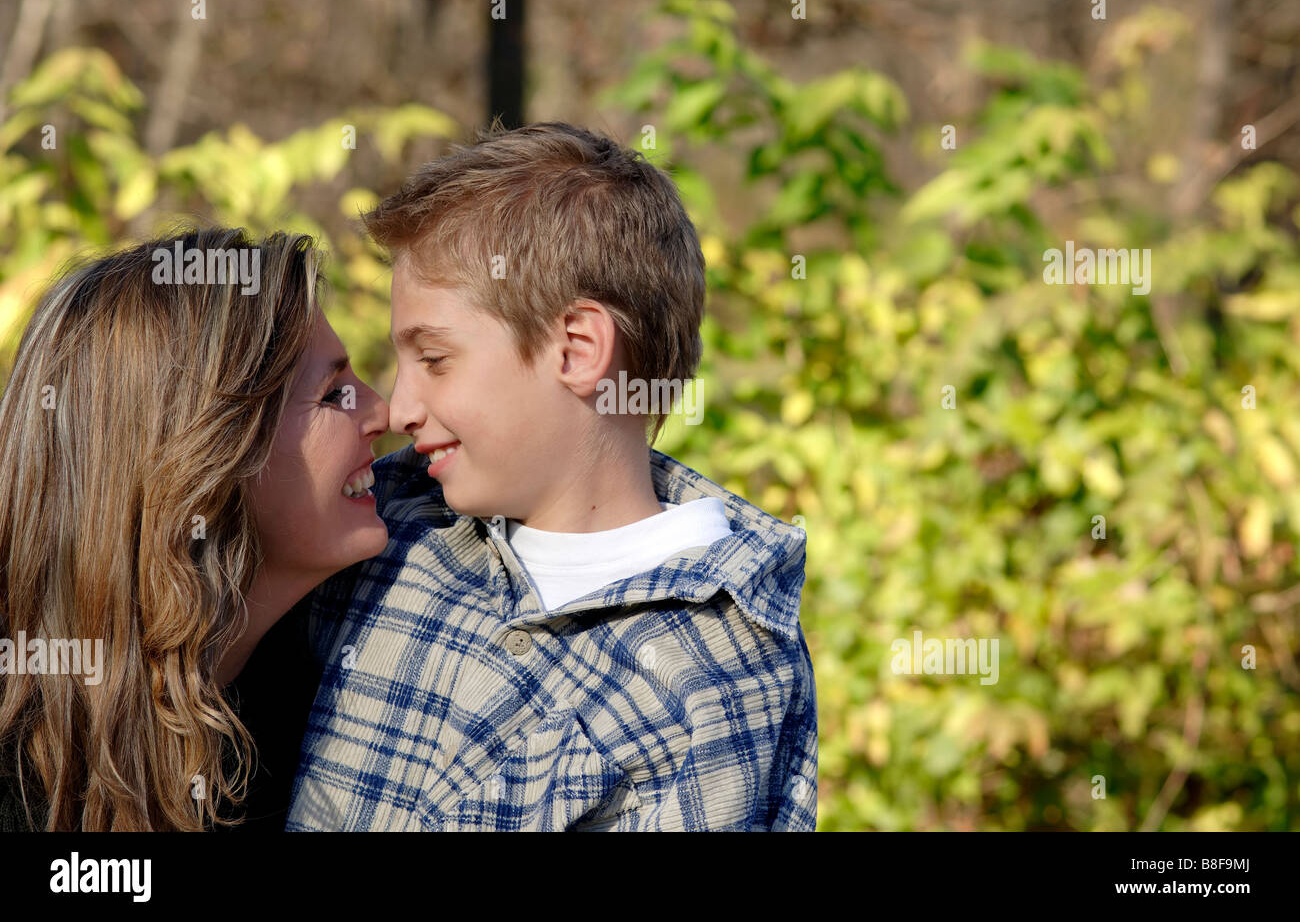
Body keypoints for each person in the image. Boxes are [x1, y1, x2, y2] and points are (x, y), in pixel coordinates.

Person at [289, 122, 818, 831]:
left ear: (577, 349)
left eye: (436, 360)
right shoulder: (389, 530)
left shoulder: (721, 674)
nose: (398, 407)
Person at [0, 228, 390, 831]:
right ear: (208, 458)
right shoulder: (17, 773)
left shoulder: (324, 706)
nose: (383, 410)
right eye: (334, 394)